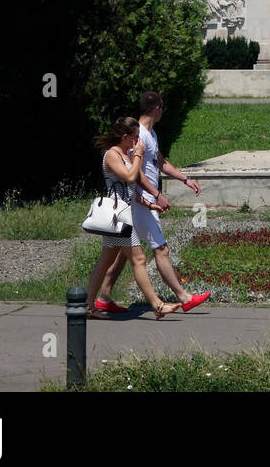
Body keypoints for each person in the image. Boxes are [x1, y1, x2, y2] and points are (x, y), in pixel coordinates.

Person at [97, 91, 209, 313]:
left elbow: (160, 162)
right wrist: (156, 195)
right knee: (161, 248)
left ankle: (103, 297)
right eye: (163, 108)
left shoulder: (150, 134)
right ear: (157, 108)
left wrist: (185, 179)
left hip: (141, 200)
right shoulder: (139, 136)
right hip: (140, 200)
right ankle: (184, 297)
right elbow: (135, 173)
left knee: (122, 252)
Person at [84, 117, 181, 320]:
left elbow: (130, 189)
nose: (137, 142)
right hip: (118, 217)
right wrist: (138, 156)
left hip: (123, 213)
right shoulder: (112, 155)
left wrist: (148, 203)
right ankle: (157, 305)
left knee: (104, 262)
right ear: (125, 137)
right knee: (139, 259)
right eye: (135, 138)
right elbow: (129, 177)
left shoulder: (124, 154)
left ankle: (87, 307)